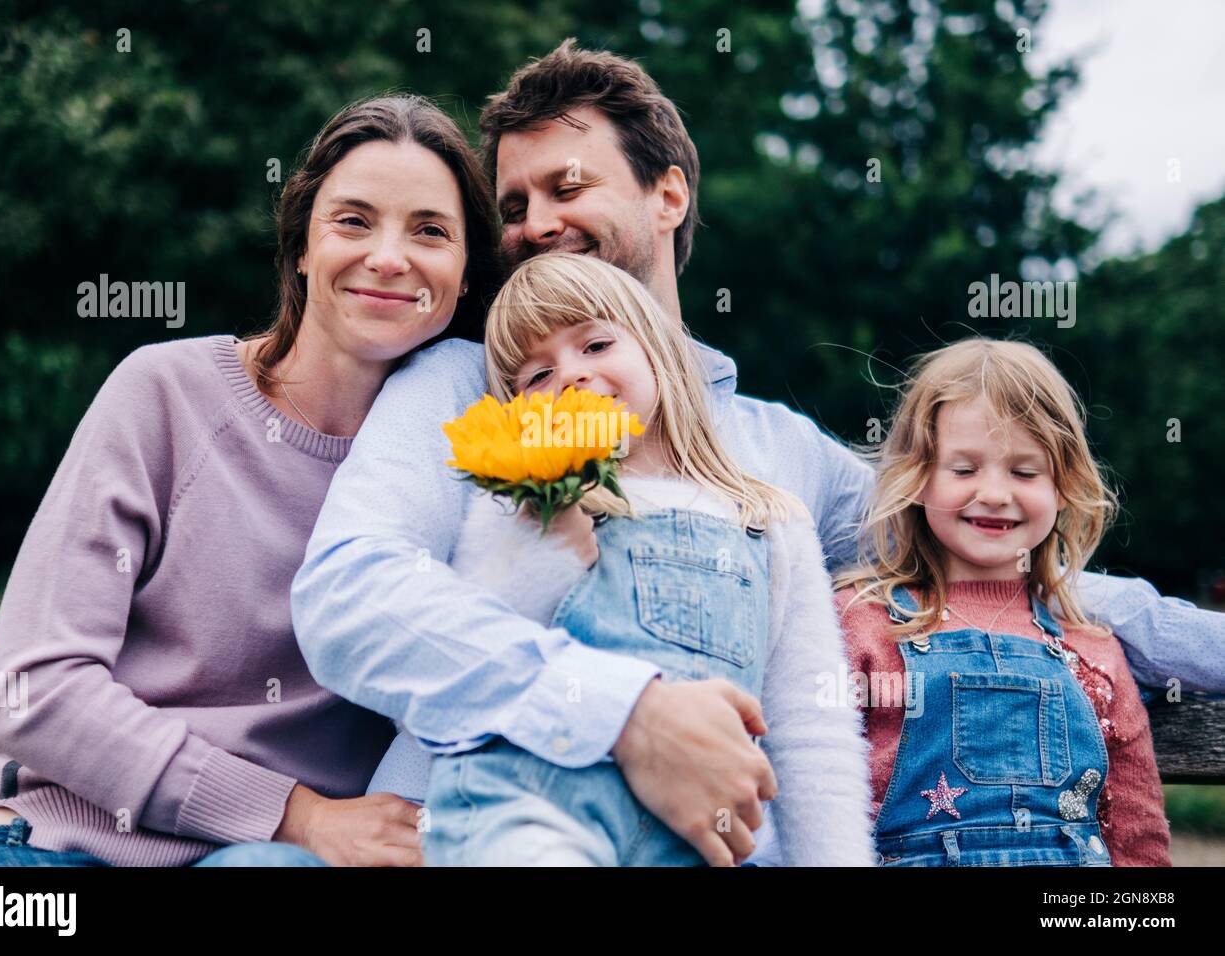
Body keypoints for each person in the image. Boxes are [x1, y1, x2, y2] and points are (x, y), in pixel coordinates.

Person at [291, 41, 1225, 868]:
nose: (533, 223)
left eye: (566, 187)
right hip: (490, 828)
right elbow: (352, 593)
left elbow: (993, 567)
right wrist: (625, 714)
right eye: (515, 203)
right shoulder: (467, 384)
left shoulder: (778, 456)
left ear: (668, 193)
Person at [0, 94, 501, 868]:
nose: (390, 257)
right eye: (353, 221)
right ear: (301, 246)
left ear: (467, 275)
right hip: (53, 846)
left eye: (430, 231)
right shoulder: (165, 393)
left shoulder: (462, 469)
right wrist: (294, 815)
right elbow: (39, 688)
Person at [367, 252, 874, 865]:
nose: (572, 377)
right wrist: (549, 534)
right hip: (527, 814)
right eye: (536, 376)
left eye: (597, 344)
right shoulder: (514, 507)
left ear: (658, 350)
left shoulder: (770, 518)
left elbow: (812, 733)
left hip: (693, 838)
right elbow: (468, 668)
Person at [834, 338, 1171, 866]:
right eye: (964, 470)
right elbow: (818, 794)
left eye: (1024, 471)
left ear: (1064, 487)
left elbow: (1136, 833)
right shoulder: (864, 622)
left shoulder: (1093, 650)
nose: (993, 492)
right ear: (918, 477)